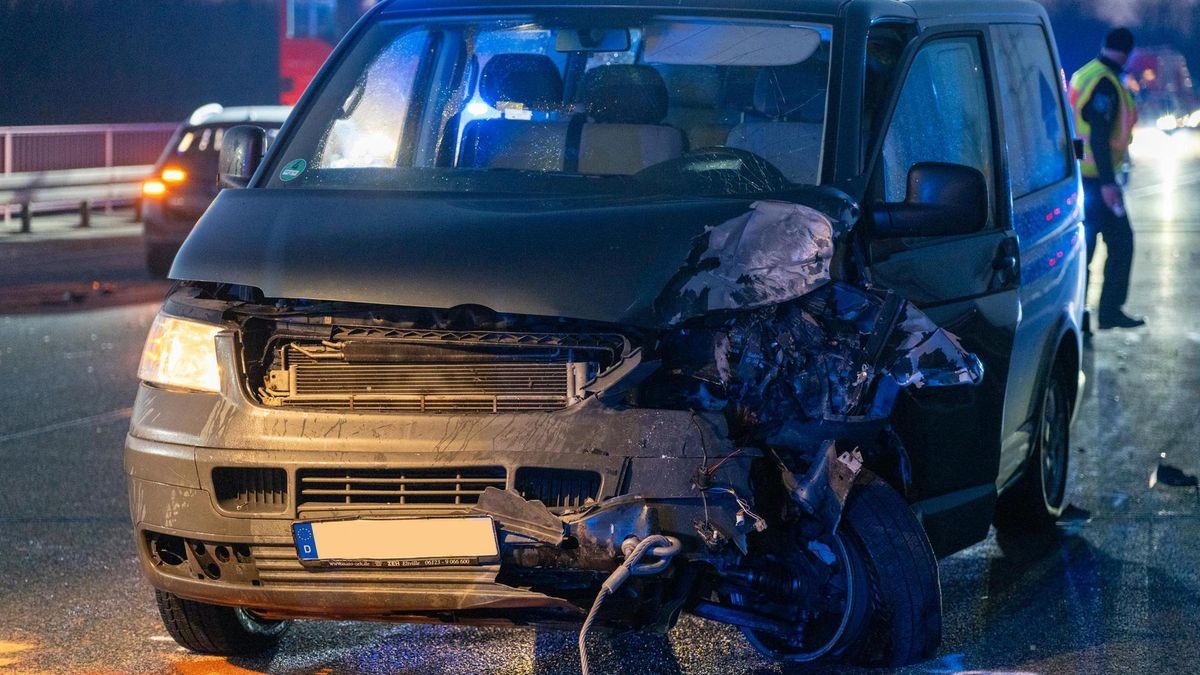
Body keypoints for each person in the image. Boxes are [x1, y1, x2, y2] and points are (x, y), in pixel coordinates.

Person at [1069, 28, 1145, 330]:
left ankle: (1080, 317)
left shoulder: (1084, 74)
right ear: (1128, 53)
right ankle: (1108, 312)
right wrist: (1108, 184)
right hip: (1097, 181)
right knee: (1121, 241)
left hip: (1079, 178)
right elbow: (1099, 135)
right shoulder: (1106, 83)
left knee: (1086, 249)